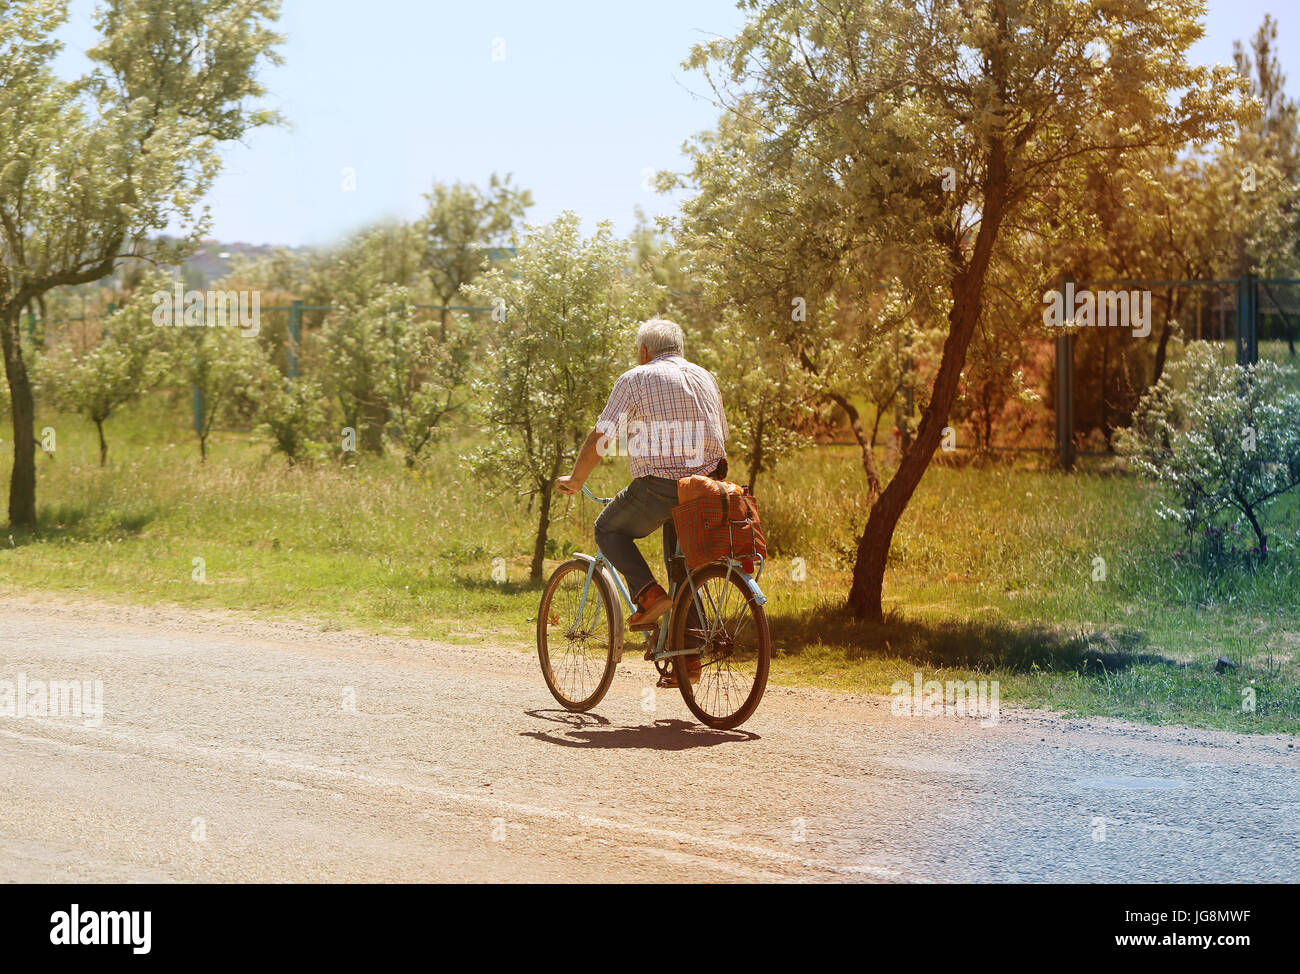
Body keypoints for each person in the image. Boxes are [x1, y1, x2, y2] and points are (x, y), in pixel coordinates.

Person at [556, 319, 728, 682]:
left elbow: (603, 437)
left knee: (607, 528)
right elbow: (721, 435)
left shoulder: (635, 377)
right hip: (704, 488)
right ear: (679, 349)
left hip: (660, 487)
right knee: (684, 569)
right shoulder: (705, 377)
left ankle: (648, 595)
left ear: (644, 351)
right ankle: (689, 659)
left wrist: (576, 479)